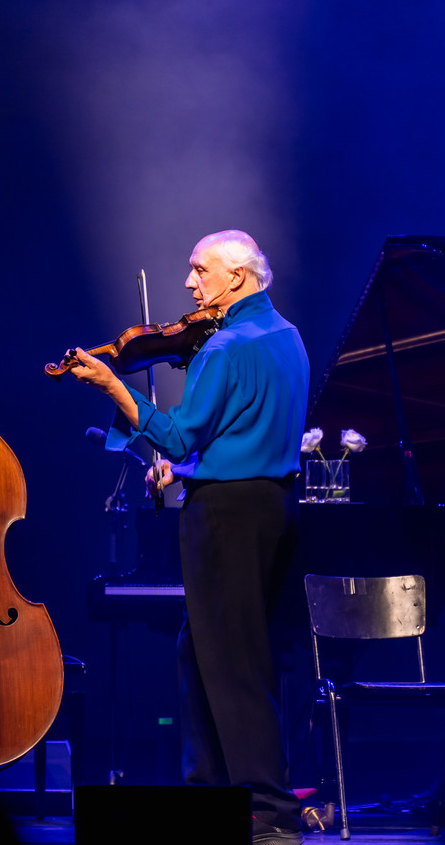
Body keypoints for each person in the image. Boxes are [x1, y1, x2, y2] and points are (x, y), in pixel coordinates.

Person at [68, 230, 308, 845]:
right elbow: (240, 432)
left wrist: (115, 389)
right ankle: (212, 794)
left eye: (200, 270)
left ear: (238, 277)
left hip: (227, 514)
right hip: (271, 506)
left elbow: (176, 435)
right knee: (200, 651)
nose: (189, 283)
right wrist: (190, 467)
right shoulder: (286, 335)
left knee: (231, 664)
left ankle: (270, 813)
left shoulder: (226, 346)